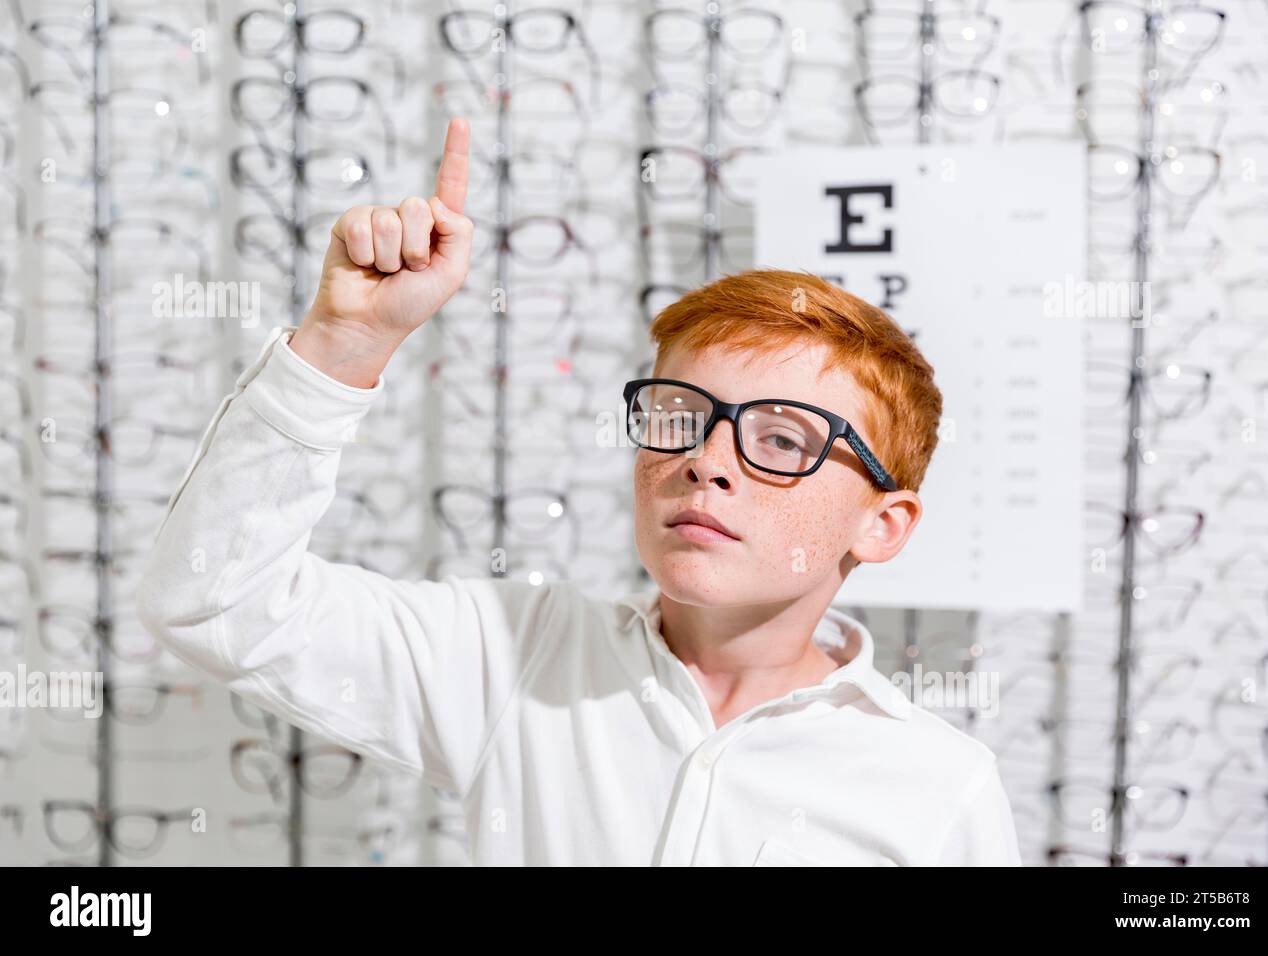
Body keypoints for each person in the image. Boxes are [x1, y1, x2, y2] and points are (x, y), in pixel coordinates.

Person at [136, 117, 1021, 866]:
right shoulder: (516, 659)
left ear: (883, 523)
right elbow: (215, 601)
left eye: (781, 439)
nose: (707, 462)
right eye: (680, 416)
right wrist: (343, 346)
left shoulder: (940, 787)